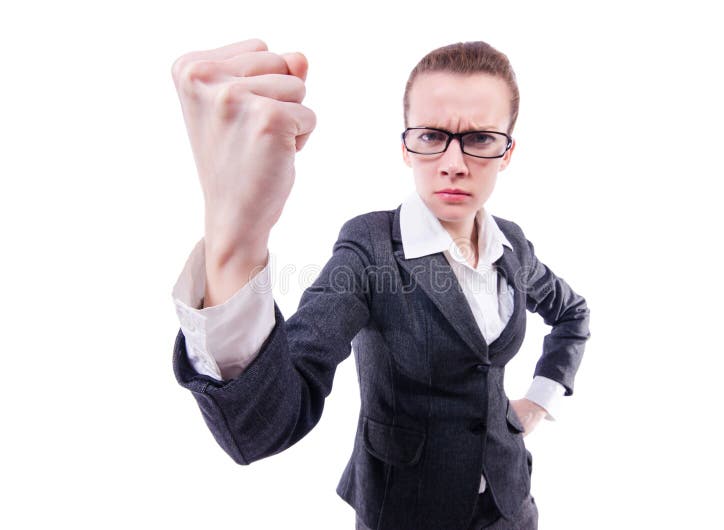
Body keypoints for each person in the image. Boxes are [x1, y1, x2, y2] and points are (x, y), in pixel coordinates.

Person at [170, 38, 590, 530]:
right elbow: (262, 426)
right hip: (405, 511)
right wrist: (235, 239)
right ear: (406, 147)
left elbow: (572, 313)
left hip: (509, 505)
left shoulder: (511, 245)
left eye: (480, 138)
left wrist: (540, 399)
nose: (454, 163)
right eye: (431, 136)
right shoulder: (370, 248)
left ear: (507, 151)